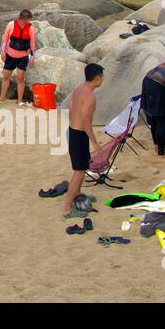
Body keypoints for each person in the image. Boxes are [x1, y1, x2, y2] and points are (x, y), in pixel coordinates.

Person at [62, 63, 105, 218]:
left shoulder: (79, 89)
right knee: (79, 172)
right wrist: (95, 142)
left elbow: (72, 110)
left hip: (73, 131)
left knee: (82, 168)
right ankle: (67, 208)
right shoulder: (90, 95)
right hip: (79, 134)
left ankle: (77, 195)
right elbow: (86, 119)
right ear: (97, 78)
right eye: (102, 77)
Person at [0, 9, 37, 107]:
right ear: (21, 18)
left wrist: (32, 58)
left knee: (20, 78)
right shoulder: (11, 25)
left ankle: (19, 101)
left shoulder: (30, 28)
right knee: (6, 76)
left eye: (29, 20)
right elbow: (5, 39)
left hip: (23, 57)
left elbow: (32, 44)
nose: (28, 22)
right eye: (27, 19)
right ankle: (2, 98)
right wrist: (3, 52)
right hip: (10, 56)